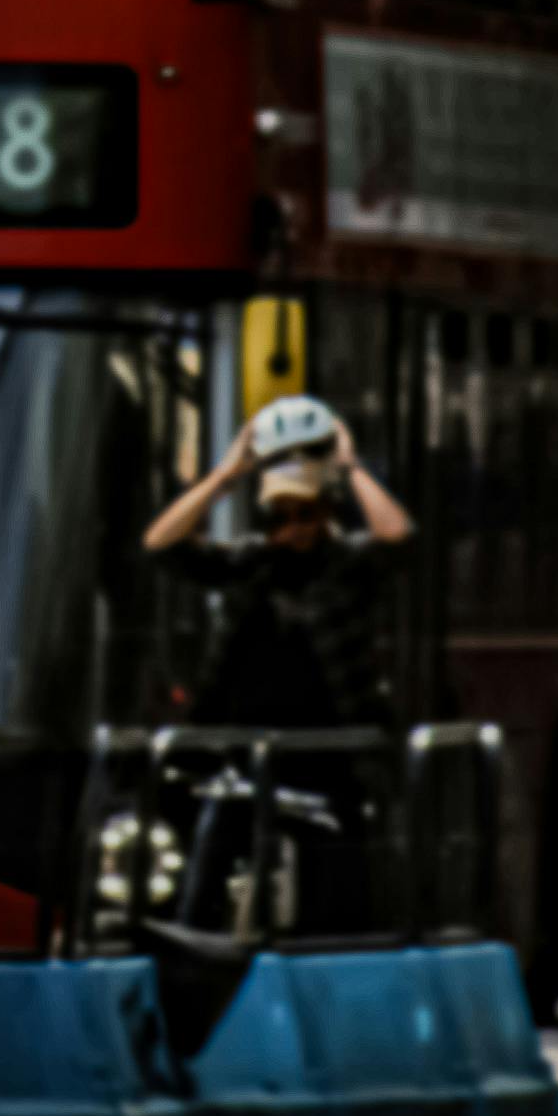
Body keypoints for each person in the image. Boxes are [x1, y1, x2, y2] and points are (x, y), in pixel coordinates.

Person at [141, 389, 413, 936]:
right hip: (242, 755)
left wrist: (349, 467)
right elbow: (161, 546)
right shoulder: (251, 562)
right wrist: (224, 477)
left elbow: (396, 538)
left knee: (338, 892)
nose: (291, 528)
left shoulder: (343, 566)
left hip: (327, 757)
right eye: (279, 516)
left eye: (304, 513)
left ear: (325, 511)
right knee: (206, 872)